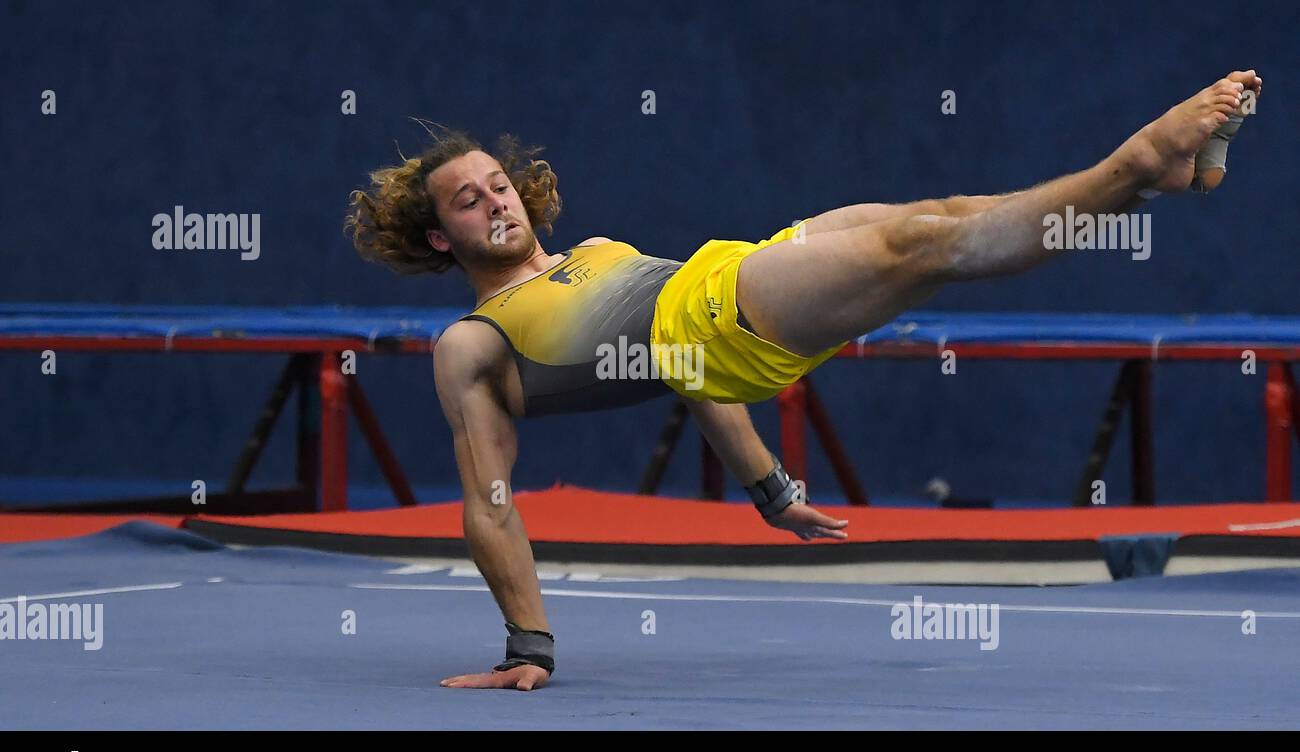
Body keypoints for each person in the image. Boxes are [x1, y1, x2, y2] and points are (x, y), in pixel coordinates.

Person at [346, 70, 1262, 691]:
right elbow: (490, 500)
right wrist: (528, 644)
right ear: (439, 238)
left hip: (736, 270)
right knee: (923, 247)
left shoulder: (587, 252)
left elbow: (687, 383)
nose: (495, 202)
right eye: (469, 201)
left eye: (499, 185)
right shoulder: (473, 343)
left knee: (936, 217)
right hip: (719, 316)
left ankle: (1156, 183)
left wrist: (768, 487)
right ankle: (1138, 165)